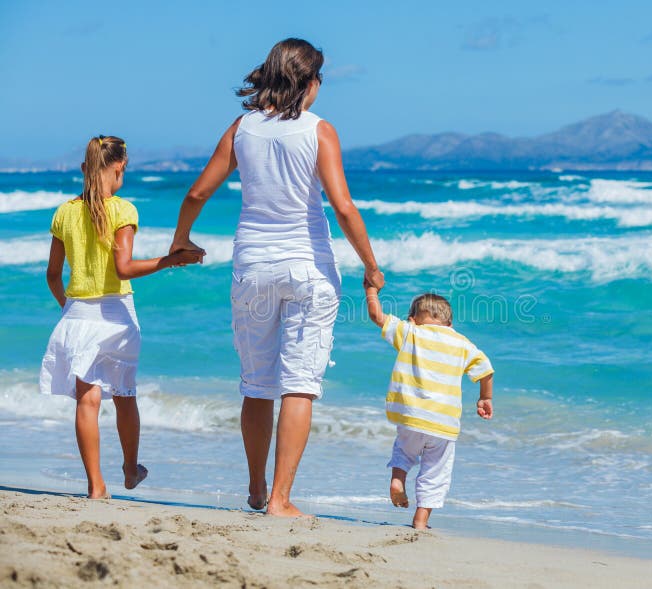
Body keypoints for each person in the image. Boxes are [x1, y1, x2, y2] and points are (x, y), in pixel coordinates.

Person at [169, 38, 384, 516]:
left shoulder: (242, 128)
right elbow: (344, 208)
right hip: (308, 269)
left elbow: (198, 192)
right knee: (299, 383)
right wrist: (370, 264)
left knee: (256, 383)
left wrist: (181, 240)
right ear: (308, 82)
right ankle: (281, 500)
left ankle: (256, 489)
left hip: (253, 267)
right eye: (319, 78)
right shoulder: (319, 130)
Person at [40, 135, 204, 499]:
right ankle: (130, 469)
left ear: (85, 168)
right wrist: (171, 260)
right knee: (124, 395)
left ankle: (96, 486)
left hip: (77, 314)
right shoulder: (123, 210)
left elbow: (53, 275)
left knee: (88, 399)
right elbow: (124, 268)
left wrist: (68, 307)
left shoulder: (64, 212)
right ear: (119, 168)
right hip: (116, 316)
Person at [364, 287, 494, 529]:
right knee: (435, 472)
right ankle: (421, 521)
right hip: (443, 423)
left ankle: (398, 480)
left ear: (412, 318)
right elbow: (485, 369)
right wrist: (485, 397)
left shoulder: (410, 332)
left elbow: (376, 315)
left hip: (411, 417)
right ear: (450, 322)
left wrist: (370, 290)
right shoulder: (462, 343)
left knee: (404, 451)